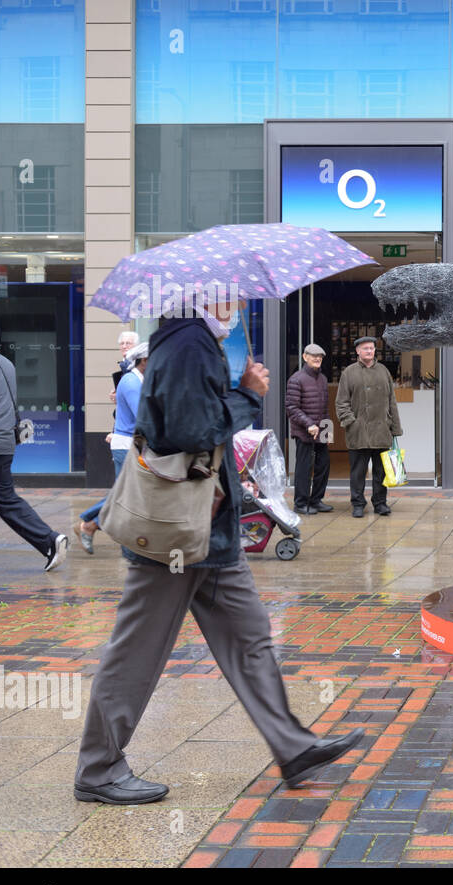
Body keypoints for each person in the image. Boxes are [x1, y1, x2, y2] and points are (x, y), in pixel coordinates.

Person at [74, 301, 362, 806]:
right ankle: (98, 769)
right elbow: (190, 431)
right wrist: (247, 396)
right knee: (136, 654)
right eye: (229, 294)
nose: (238, 303)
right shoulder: (186, 342)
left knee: (251, 641)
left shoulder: (195, 340)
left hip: (211, 537)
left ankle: (293, 747)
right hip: (176, 538)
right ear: (202, 296)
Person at [0, 318, 68, 570]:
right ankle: (51, 541)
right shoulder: (5, 362)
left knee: (6, 500)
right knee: (7, 500)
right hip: (3, 444)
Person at [75, 341, 147, 554]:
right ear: (144, 361)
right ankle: (90, 524)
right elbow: (142, 416)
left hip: (132, 443)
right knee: (126, 495)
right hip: (128, 445)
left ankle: (92, 524)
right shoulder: (132, 382)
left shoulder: (137, 380)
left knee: (129, 494)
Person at [336, 336, 402, 518]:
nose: (369, 351)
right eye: (365, 348)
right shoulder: (349, 373)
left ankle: (380, 503)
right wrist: (351, 421)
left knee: (381, 472)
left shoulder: (383, 371)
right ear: (357, 351)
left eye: (372, 348)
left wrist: (395, 427)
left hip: (382, 431)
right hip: (359, 432)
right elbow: (341, 402)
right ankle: (358, 504)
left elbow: (392, 402)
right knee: (357, 473)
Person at [286, 343, 332, 515]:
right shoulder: (296, 379)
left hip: (321, 429)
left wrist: (328, 430)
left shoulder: (323, 379)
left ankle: (316, 500)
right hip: (304, 431)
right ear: (305, 357)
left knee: (323, 465)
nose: (317, 358)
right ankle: (300, 503)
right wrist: (308, 424)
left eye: (320, 356)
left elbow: (324, 407)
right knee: (304, 468)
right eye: (313, 356)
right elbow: (291, 407)